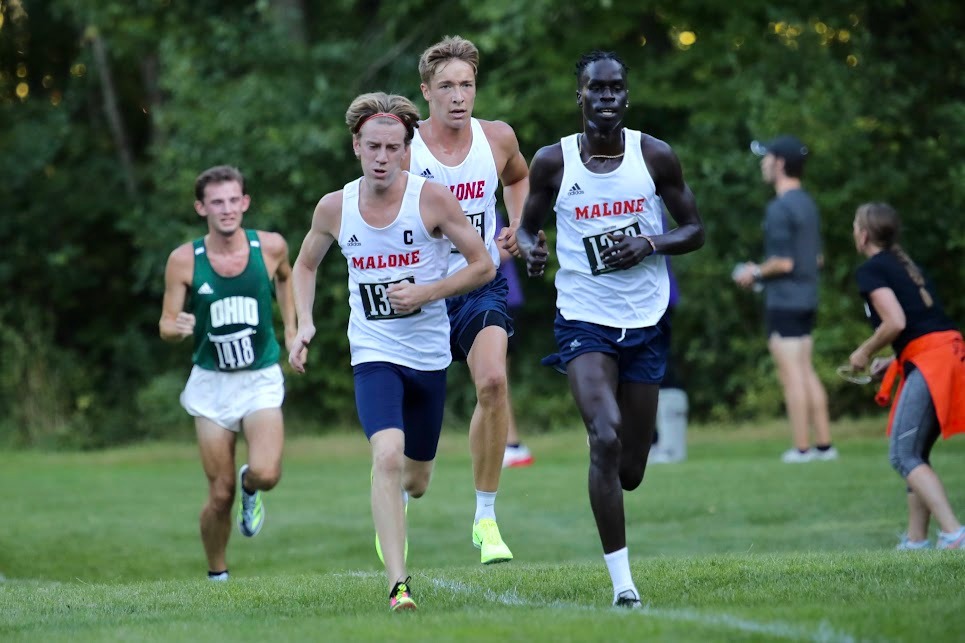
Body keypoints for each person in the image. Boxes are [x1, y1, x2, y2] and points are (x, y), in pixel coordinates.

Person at [287, 92, 495, 611]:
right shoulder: (335, 207)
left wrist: (425, 293)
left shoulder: (432, 200)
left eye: (392, 147)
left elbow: (483, 265)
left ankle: (398, 505)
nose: (382, 157)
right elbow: (306, 265)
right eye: (372, 146)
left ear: (406, 151)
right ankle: (398, 585)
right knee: (385, 455)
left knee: (417, 480)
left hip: (428, 354)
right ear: (356, 147)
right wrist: (304, 323)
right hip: (373, 351)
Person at [516, 51, 704, 607]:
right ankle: (624, 585)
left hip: (645, 320)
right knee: (604, 435)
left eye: (615, 89)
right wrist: (532, 251)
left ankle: (610, 437)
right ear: (581, 96)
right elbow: (526, 229)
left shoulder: (655, 156)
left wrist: (650, 242)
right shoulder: (552, 162)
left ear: (627, 96)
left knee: (630, 470)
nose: (606, 98)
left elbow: (694, 229)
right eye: (596, 89)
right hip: (583, 318)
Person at [405, 35, 530, 563]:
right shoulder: (402, 146)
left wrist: (518, 226)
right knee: (415, 476)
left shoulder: (497, 138)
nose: (459, 96)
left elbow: (519, 178)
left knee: (494, 382)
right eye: (448, 86)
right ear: (426, 92)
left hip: (480, 283)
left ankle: (485, 517)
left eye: (468, 85)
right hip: (421, 294)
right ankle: (399, 496)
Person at [159, 165, 296, 582]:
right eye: (216, 202)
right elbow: (165, 323)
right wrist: (175, 328)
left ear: (245, 203)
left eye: (233, 200)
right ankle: (217, 574)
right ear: (202, 207)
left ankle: (251, 487)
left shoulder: (270, 247)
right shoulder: (184, 260)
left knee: (267, 473)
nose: (226, 209)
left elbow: (288, 279)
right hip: (211, 384)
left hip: (259, 378)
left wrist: (291, 328)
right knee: (219, 495)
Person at [848, 202, 965, 550]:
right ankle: (916, 541)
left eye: (855, 226)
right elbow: (916, 326)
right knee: (915, 452)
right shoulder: (904, 264)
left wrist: (865, 351)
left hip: (934, 359)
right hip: (946, 352)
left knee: (902, 456)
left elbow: (896, 321)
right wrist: (894, 358)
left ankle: (954, 534)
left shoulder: (872, 270)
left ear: (864, 234)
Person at [734, 134, 836, 463]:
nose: (763, 164)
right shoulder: (807, 203)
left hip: (785, 302)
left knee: (791, 375)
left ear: (779, 164)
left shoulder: (780, 208)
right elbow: (815, 258)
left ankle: (802, 449)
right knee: (806, 370)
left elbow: (783, 262)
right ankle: (825, 447)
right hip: (807, 297)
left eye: (766, 158)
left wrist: (754, 273)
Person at [494, 212, 534, 468]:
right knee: (490, 378)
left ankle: (512, 445)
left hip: (500, 300)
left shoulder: (483, 207)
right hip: (472, 301)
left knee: (495, 376)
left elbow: (507, 248)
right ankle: (509, 444)